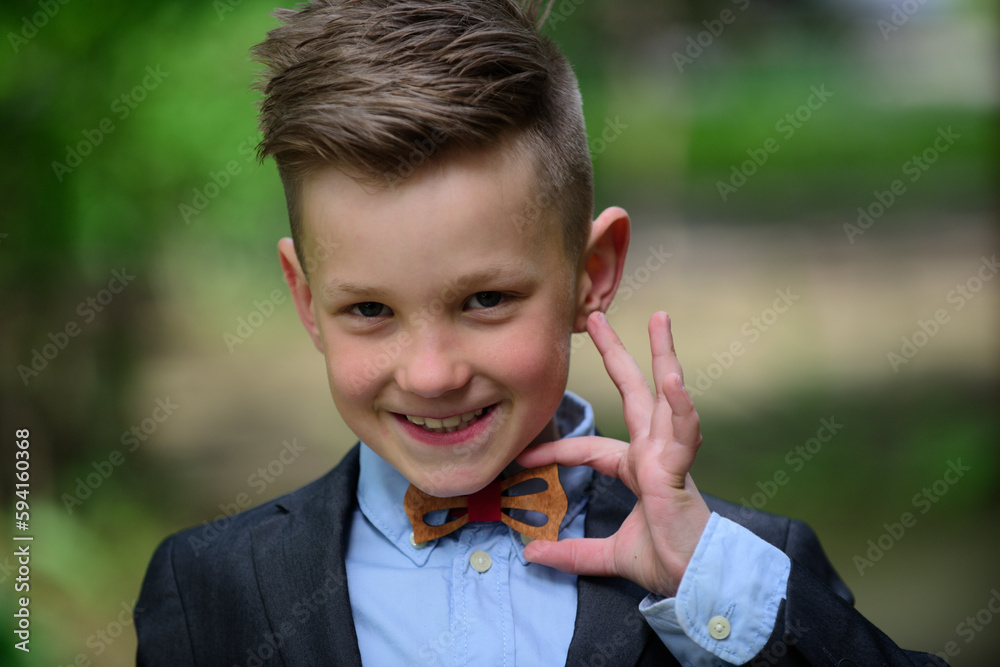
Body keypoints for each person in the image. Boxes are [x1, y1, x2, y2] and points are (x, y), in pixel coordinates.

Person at [135, 1, 946, 665]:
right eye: (370, 310)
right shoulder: (209, 588)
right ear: (306, 299)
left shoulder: (740, 567)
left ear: (591, 273)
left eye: (484, 299)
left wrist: (710, 581)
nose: (430, 373)